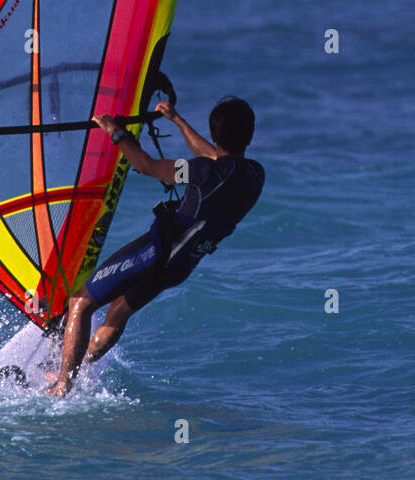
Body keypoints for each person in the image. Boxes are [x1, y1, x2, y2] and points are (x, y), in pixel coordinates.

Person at [46, 96, 264, 397]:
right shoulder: (255, 175)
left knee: (80, 303)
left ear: (214, 135)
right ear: (250, 136)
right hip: (181, 266)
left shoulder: (201, 171)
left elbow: (146, 166)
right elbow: (218, 159)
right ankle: (76, 367)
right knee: (119, 311)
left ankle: (62, 385)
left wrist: (115, 132)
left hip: (156, 252)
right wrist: (177, 120)